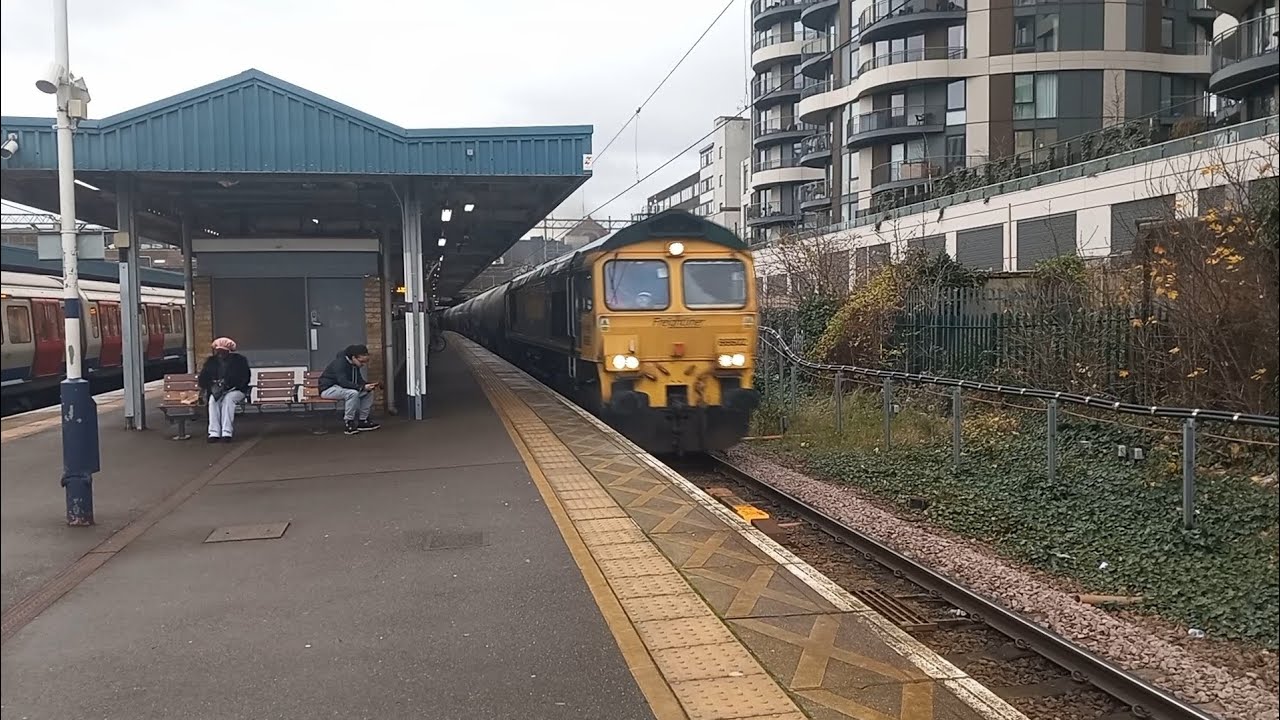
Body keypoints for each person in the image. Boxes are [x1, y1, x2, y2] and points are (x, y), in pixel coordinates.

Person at [197, 337, 251, 443]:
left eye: (223, 351)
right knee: (212, 401)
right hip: (216, 390)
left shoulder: (240, 361)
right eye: (219, 351)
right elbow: (203, 378)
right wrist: (212, 385)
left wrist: (229, 385)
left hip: (236, 389)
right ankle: (214, 432)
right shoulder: (211, 362)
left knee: (228, 400)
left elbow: (245, 378)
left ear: (229, 351)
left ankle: (227, 432)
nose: (221, 353)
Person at [319, 344, 382, 435]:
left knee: (368, 393)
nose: (363, 364)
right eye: (362, 362)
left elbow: (359, 380)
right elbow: (343, 381)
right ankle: (349, 422)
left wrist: (368, 385)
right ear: (353, 357)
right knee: (352, 393)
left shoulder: (354, 365)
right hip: (328, 389)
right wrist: (362, 387)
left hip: (342, 389)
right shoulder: (339, 364)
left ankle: (363, 420)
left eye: (366, 361)